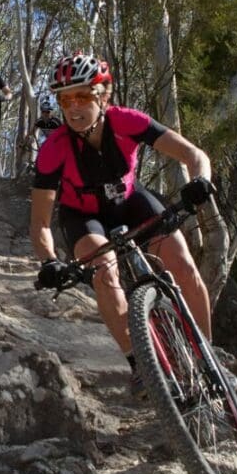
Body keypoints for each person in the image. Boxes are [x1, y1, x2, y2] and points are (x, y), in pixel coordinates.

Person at [29, 52, 215, 398]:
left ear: (103, 95)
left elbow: (194, 155)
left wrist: (200, 180)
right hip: (83, 217)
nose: (73, 107)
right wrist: (49, 261)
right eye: (65, 100)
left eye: (82, 96)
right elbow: (40, 222)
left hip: (130, 202)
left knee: (183, 265)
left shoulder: (126, 121)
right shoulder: (54, 149)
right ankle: (141, 365)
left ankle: (208, 358)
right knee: (104, 271)